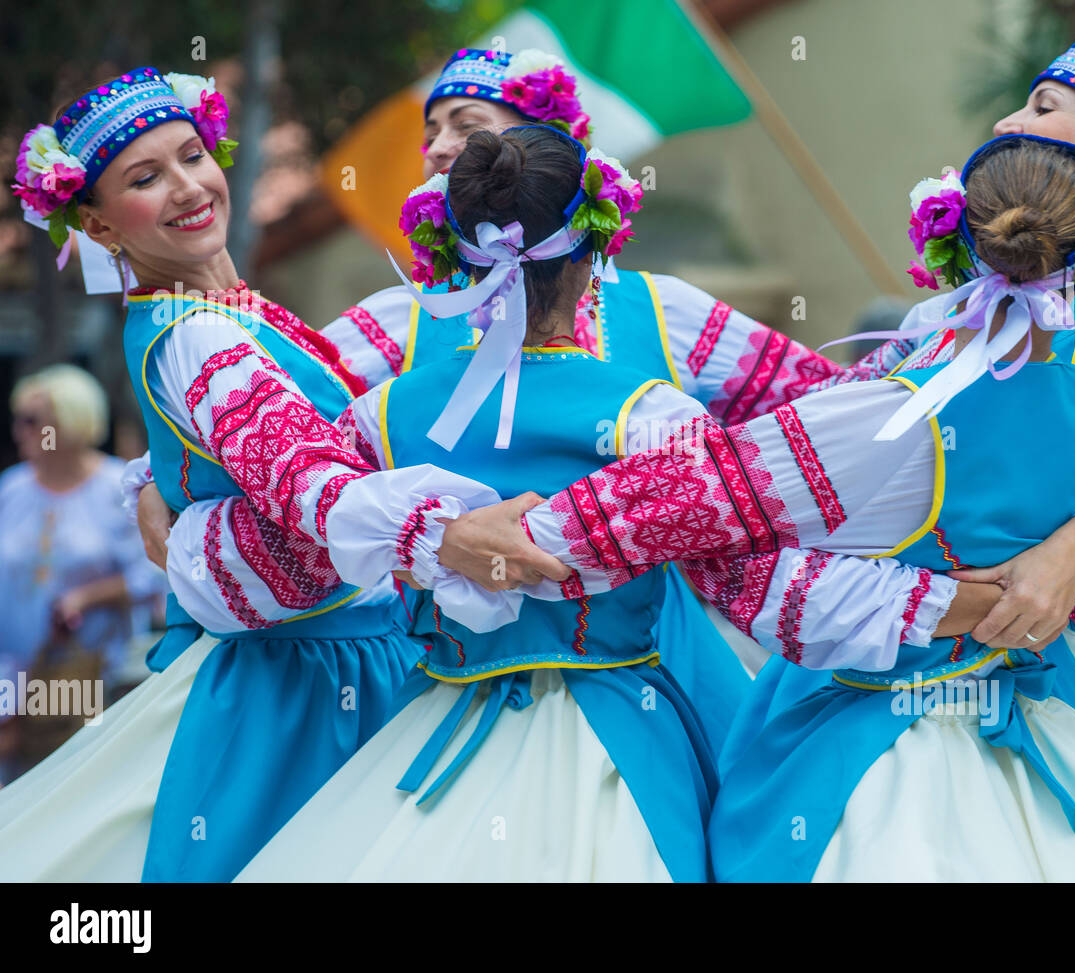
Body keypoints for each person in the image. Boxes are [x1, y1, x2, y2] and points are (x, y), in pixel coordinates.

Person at [461, 134, 1075, 881]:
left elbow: (703, 498)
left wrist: (494, 539)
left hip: (885, 747)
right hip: (1038, 715)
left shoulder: (897, 415)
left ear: (951, 243)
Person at [0, 68, 566, 881]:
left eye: (193, 156)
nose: (188, 186)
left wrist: (160, 482)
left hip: (333, 656)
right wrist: (445, 535)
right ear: (94, 221)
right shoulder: (198, 331)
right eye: (145, 177)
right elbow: (308, 482)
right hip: (308, 679)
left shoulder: (234, 312)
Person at [236, 126, 718, 880]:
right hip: (617, 727)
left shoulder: (382, 413)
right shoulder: (654, 414)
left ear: (455, 256)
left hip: (431, 719)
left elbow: (292, 519)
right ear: (591, 261)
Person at [0, 365, 166, 782]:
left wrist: (85, 598)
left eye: (32, 420)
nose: (18, 429)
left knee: (66, 775)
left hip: (90, 670)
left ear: (69, 422)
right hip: (12, 671)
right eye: (17, 417)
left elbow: (155, 573)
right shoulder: (13, 488)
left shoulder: (119, 487)